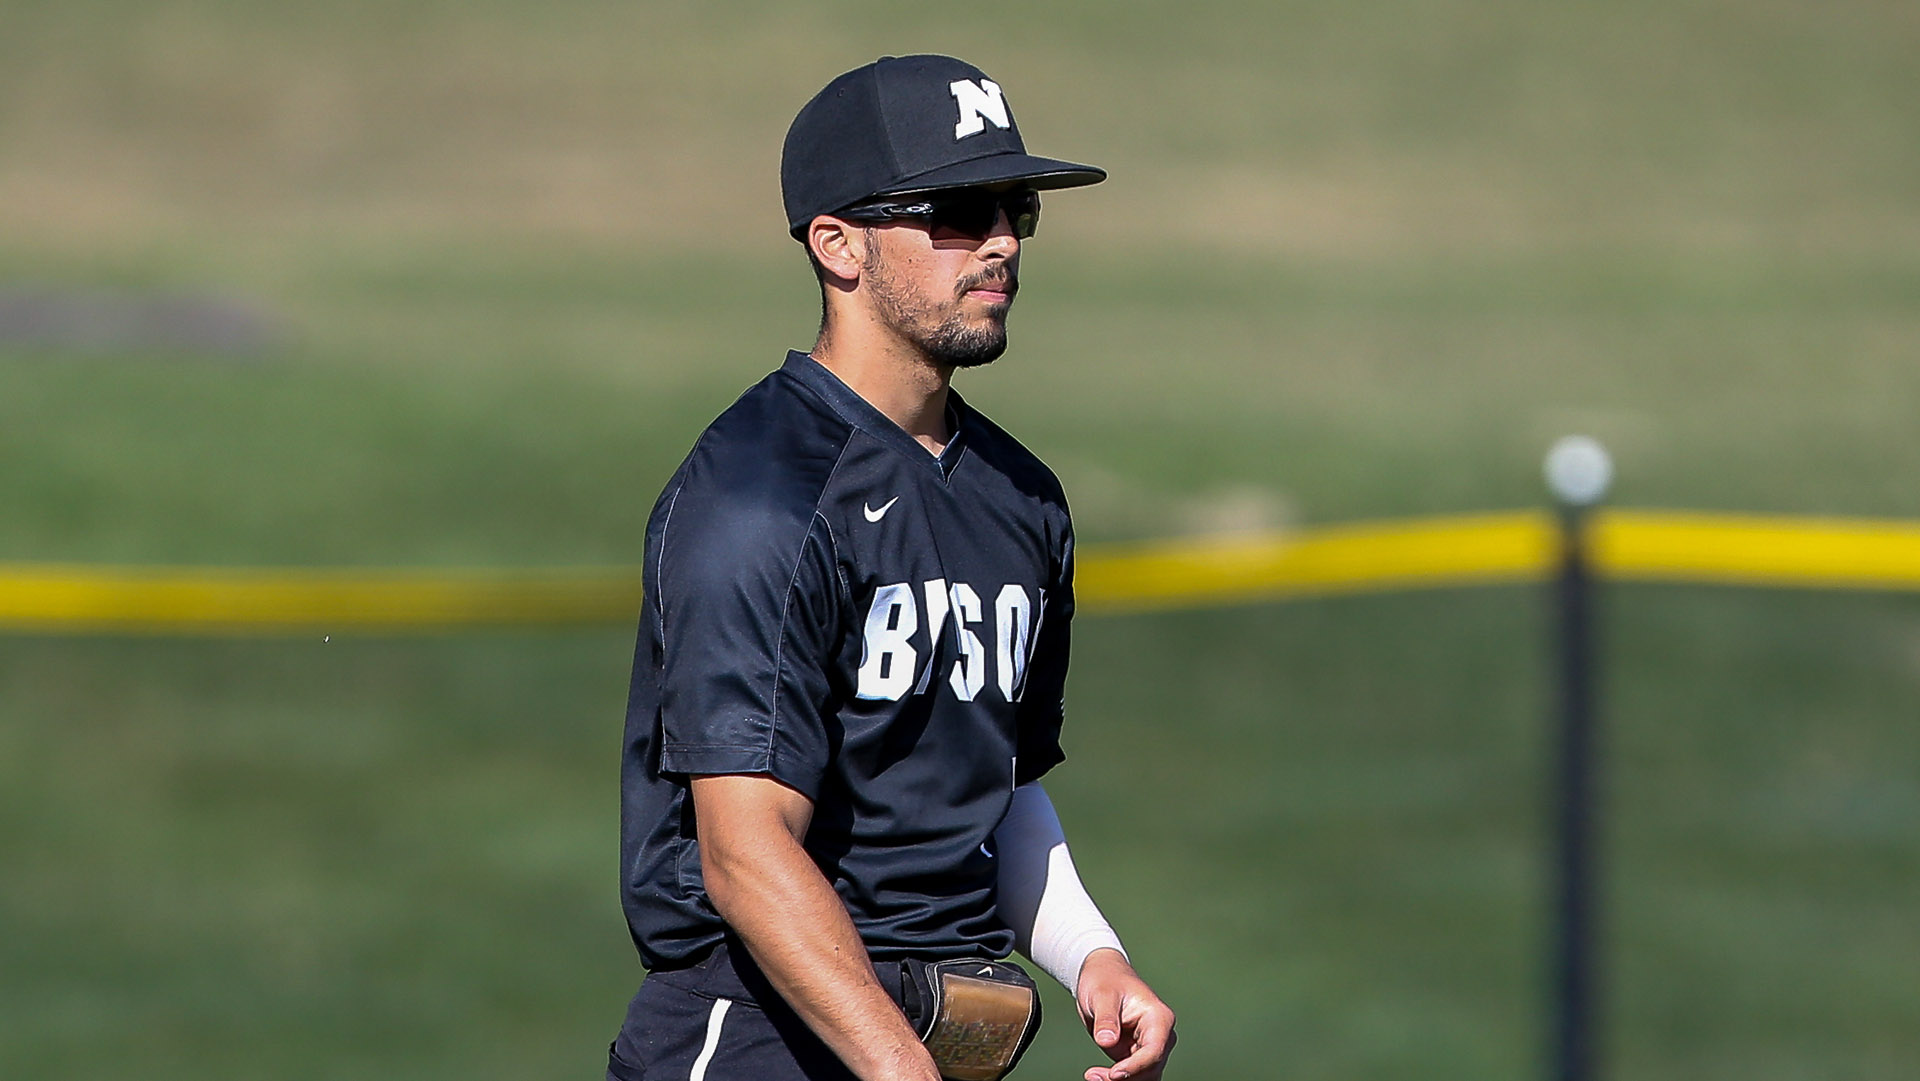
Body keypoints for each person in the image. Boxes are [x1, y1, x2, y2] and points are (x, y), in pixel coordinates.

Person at [610, 54, 1176, 1081]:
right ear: (838, 244)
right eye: (956, 210)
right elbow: (743, 853)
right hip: (759, 1036)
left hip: (921, 1035)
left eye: (1015, 209)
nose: (1001, 240)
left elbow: (996, 785)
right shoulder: (758, 498)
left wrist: (1093, 953)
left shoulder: (1021, 497)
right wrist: (892, 1062)